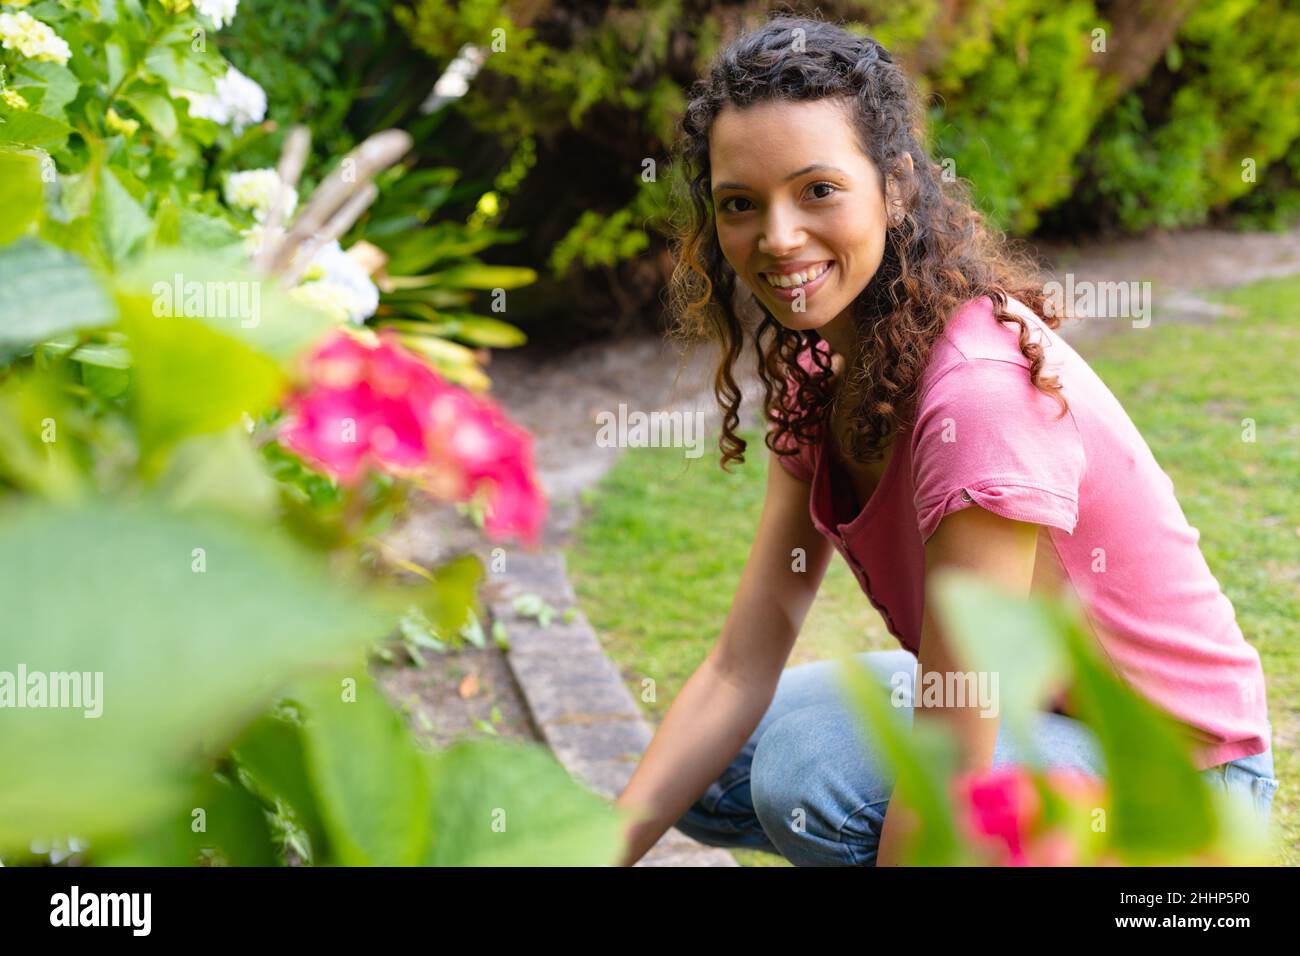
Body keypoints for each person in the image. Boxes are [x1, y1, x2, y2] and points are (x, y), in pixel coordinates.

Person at [613, 13, 1278, 867]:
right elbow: (741, 667)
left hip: (1185, 791)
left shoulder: (980, 396)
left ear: (893, 188)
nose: (777, 237)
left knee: (813, 782)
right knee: (718, 764)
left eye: (817, 190)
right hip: (1038, 723)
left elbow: (951, 767)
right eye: (742, 204)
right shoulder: (820, 371)